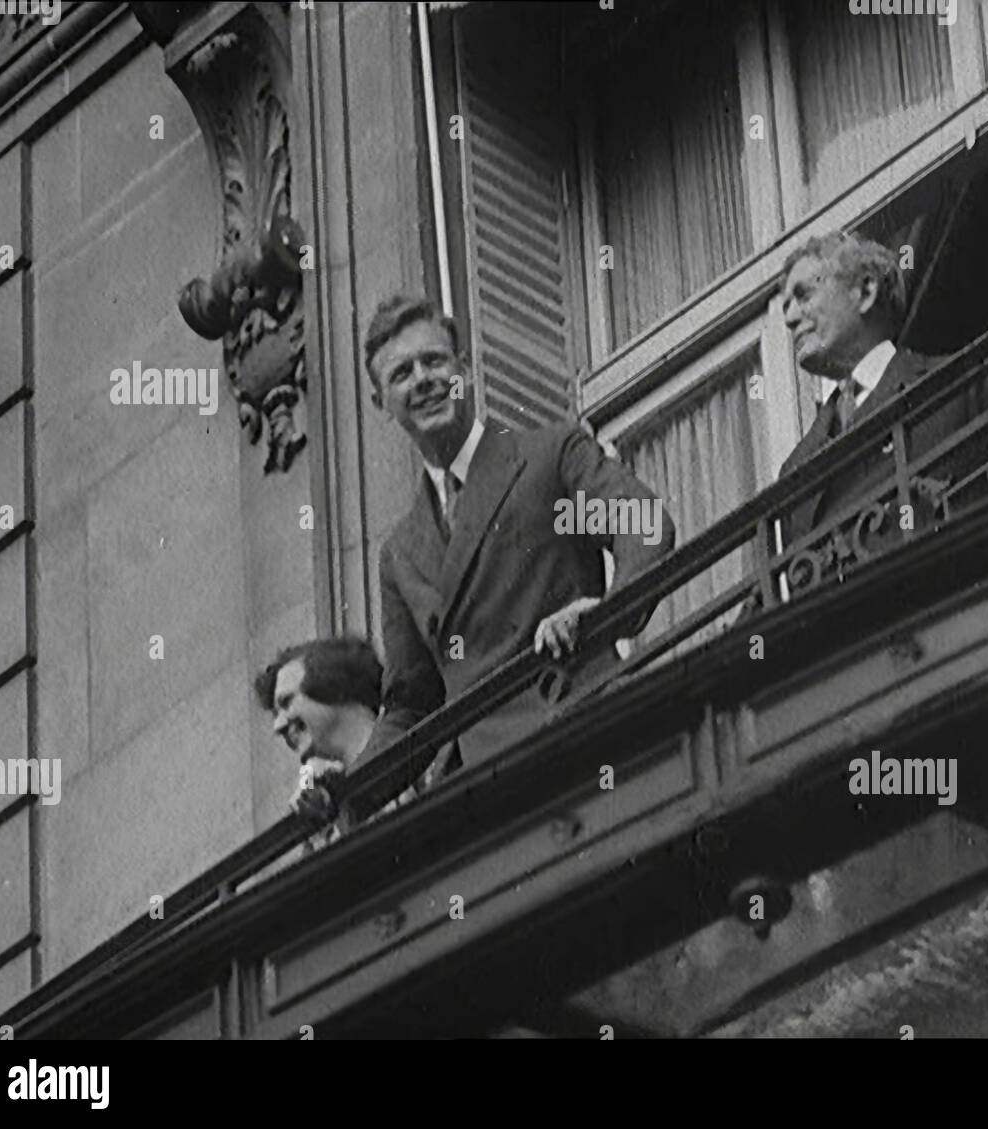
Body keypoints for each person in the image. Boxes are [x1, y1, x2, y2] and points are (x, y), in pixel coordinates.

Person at [358, 294, 675, 790]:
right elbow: (411, 705)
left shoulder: (548, 454)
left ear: (465, 368)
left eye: (435, 361)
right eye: (401, 374)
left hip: (578, 727)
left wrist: (607, 611)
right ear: (381, 402)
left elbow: (643, 525)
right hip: (478, 785)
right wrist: (344, 794)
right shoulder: (399, 552)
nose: (422, 380)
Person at [777, 231, 969, 555]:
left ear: (865, 290)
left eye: (804, 295)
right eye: (787, 306)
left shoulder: (957, 383)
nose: (790, 318)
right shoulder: (794, 470)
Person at [254, 637, 446, 848]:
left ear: (335, 686)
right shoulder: (318, 797)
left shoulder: (429, 745)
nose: (278, 726)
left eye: (286, 702)